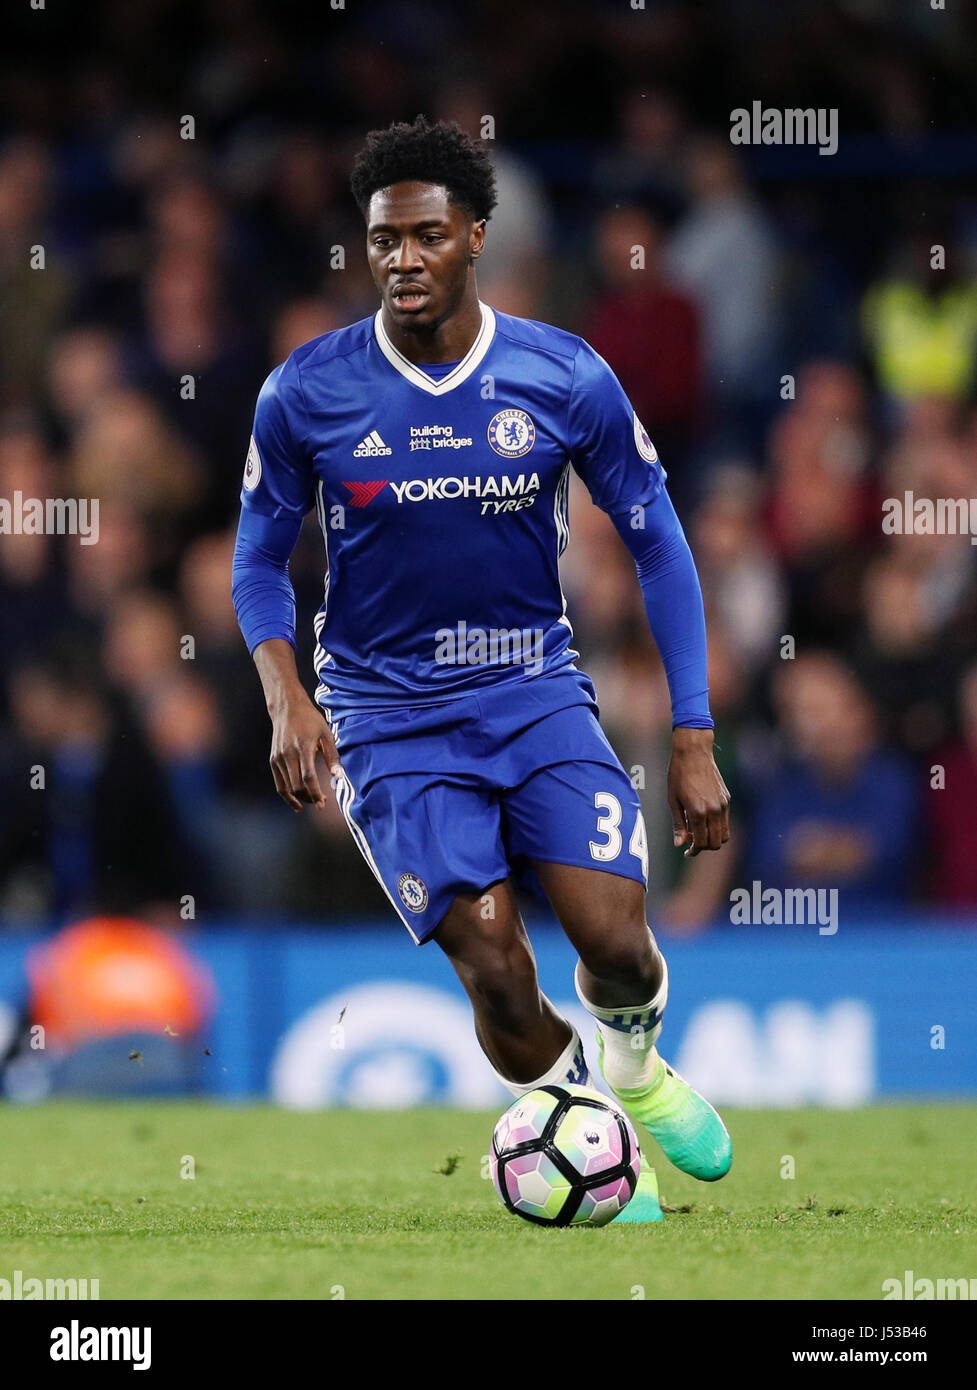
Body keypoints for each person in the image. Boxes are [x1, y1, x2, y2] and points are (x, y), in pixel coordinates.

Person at [231, 118, 732, 1216]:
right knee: (497, 964)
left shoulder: (561, 373)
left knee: (616, 942)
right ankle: (593, 1147)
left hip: (532, 690)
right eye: (383, 239)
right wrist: (285, 695)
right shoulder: (305, 391)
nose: (403, 258)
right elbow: (257, 559)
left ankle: (634, 1073)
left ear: (475, 238)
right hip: (385, 717)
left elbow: (657, 540)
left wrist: (691, 731)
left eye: (426, 235)